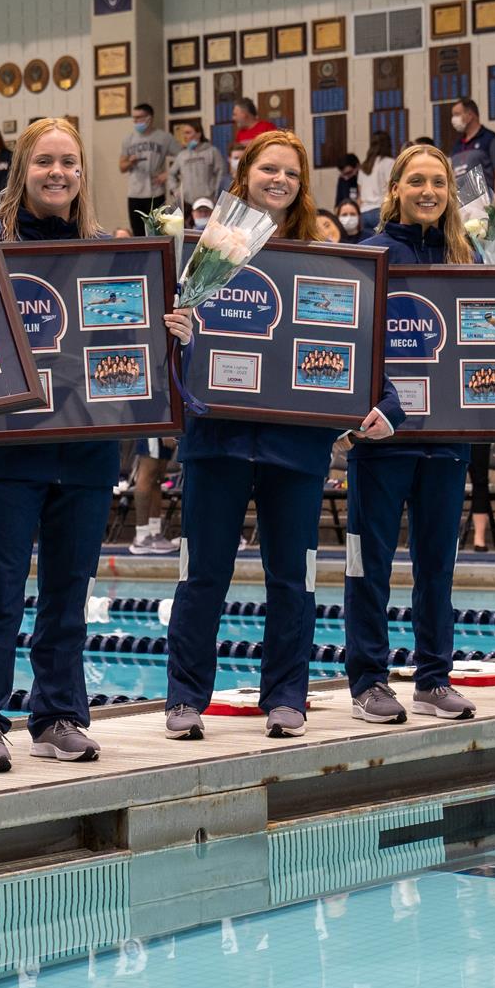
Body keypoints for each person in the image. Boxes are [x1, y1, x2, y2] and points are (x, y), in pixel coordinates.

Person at [160, 131, 400, 739]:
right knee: (202, 573)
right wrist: (181, 333)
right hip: (219, 436)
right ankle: (186, 698)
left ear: (302, 183)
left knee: (291, 579)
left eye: (291, 173)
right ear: (245, 175)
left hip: (295, 445)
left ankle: (286, 695)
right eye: (269, 169)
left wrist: (381, 401)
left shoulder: (323, 257)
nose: (280, 180)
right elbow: (170, 337)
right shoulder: (207, 251)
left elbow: (358, 344)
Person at [343, 147, 495, 724]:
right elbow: (346, 344)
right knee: (371, 563)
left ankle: (434, 679)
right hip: (382, 438)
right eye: (417, 180)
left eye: (439, 182)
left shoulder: (473, 258)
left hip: (447, 436)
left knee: (438, 564)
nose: (429, 191)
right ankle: (368, 681)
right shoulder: (367, 257)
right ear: (395, 189)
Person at [0, 118, 113, 773]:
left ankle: (58, 713)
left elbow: (121, 346)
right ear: (22, 170)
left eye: (69, 161)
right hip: (7, 447)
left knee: (70, 589)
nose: (58, 173)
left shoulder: (108, 251)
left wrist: (164, 325)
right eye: (44, 161)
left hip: (87, 445)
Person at [118, 103, 179, 229]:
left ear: (149, 118)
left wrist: (168, 174)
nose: (135, 121)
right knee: (138, 234)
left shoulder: (164, 137)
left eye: (139, 117)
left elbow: (182, 156)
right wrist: (131, 162)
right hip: (135, 193)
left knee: (157, 231)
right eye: (134, 118)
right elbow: (122, 167)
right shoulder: (129, 139)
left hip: (155, 192)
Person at [448, 98, 495, 210]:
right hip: (460, 207)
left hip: (483, 205)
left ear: (470, 115)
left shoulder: (491, 139)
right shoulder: (456, 146)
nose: (453, 119)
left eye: (457, 114)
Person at [166, 120, 224, 212]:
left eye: (188, 133)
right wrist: (176, 191)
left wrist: (216, 194)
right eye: (184, 133)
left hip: (208, 201)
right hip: (187, 202)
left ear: (198, 134)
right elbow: (171, 174)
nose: (185, 136)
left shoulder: (212, 151)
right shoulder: (182, 155)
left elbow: (221, 174)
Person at [355, 132, 395, 233]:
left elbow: (360, 194)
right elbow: (392, 189)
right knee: (382, 246)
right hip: (380, 211)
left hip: (364, 213)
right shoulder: (389, 163)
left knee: (369, 247)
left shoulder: (364, 166)